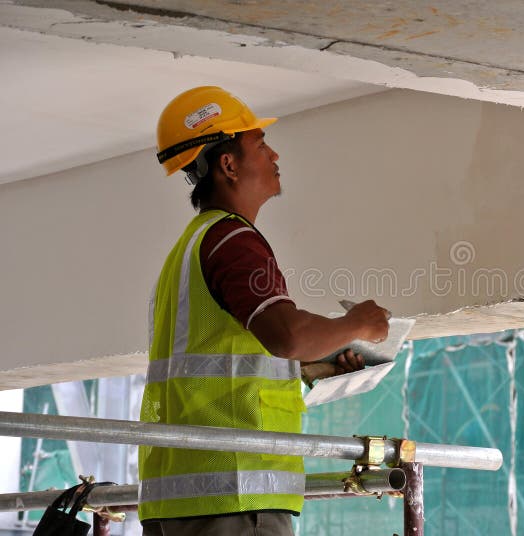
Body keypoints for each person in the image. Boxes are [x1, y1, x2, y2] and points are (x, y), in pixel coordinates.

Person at [138, 86, 390, 535]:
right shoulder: (233, 241)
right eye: (259, 144)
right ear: (228, 165)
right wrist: (359, 324)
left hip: (182, 499)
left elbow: (221, 366)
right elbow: (288, 336)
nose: (274, 154)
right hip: (235, 494)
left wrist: (309, 370)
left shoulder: (190, 247)